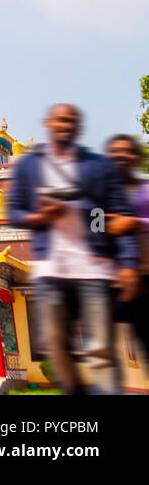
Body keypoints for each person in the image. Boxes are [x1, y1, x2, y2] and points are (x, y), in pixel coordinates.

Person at [7, 104, 139, 394]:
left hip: (94, 268)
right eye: (60, 119)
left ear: (79, 128)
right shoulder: (30, 165)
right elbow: (14, 211)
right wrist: (40, 218)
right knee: (55, 343)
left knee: (101, 348)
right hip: (51, 270)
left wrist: (127, 262)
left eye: (72, 120)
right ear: (48, 123)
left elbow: (120, 214)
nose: (66, 124)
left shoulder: (97, 165)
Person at [104, 134, 149, 378]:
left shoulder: (146, 190)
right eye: (115, 152)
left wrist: (133, 222)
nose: (121, 156)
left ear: (136, 158)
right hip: (117, 281)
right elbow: (95, 227)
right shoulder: (102, 196)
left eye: (127, 151)